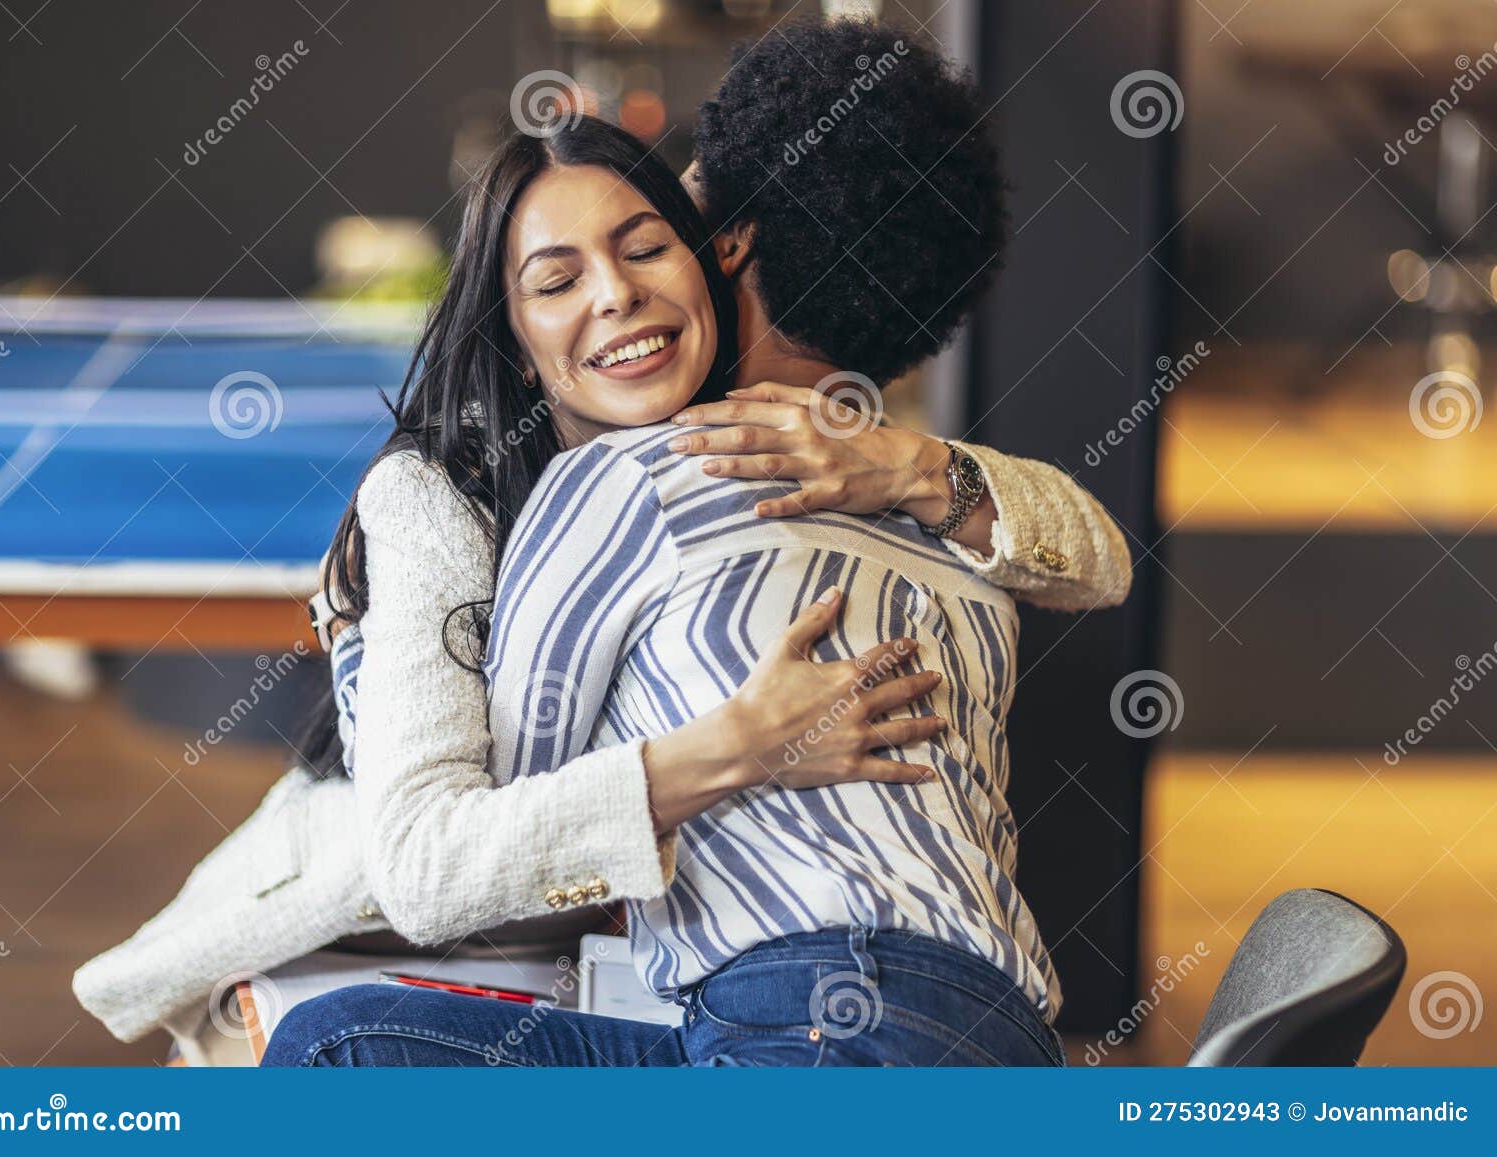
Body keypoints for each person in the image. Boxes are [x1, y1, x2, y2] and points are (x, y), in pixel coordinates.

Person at [78, 20, 1126, 1066]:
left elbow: (478, 850)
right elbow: (1100, 557)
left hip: (792, 1017)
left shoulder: (713, 475)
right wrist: (737, 747)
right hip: (994, 1025)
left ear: (723, 251)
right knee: (336, 1034)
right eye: (555, 277)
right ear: (516, 338)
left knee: (335, 1048)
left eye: (652, 237)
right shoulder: (940, 517)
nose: (617, 292)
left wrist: (905, 478)